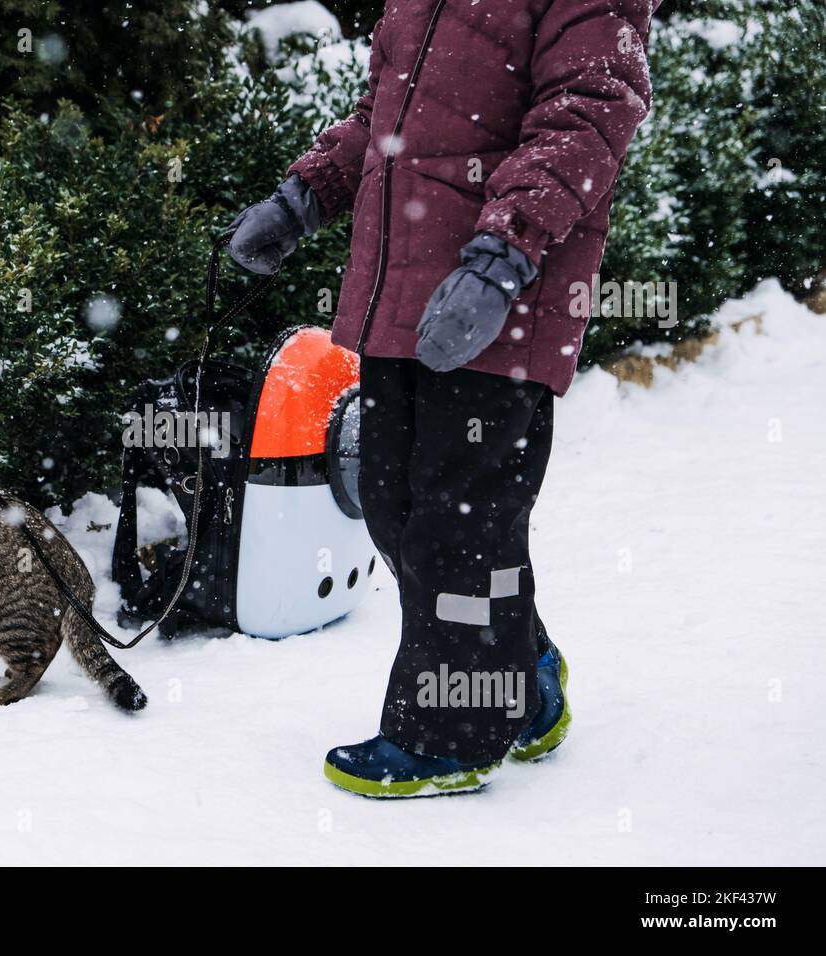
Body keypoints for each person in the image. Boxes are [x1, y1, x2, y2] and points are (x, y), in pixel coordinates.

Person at [226, 0, 656, 797]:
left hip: (502, 300)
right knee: (394, 506)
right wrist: (305, 196)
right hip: (402, 299)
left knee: (460, 522)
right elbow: (386, 115)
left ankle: (452, 732)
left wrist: (503, 255)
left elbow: (589, 114)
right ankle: (518, 669)